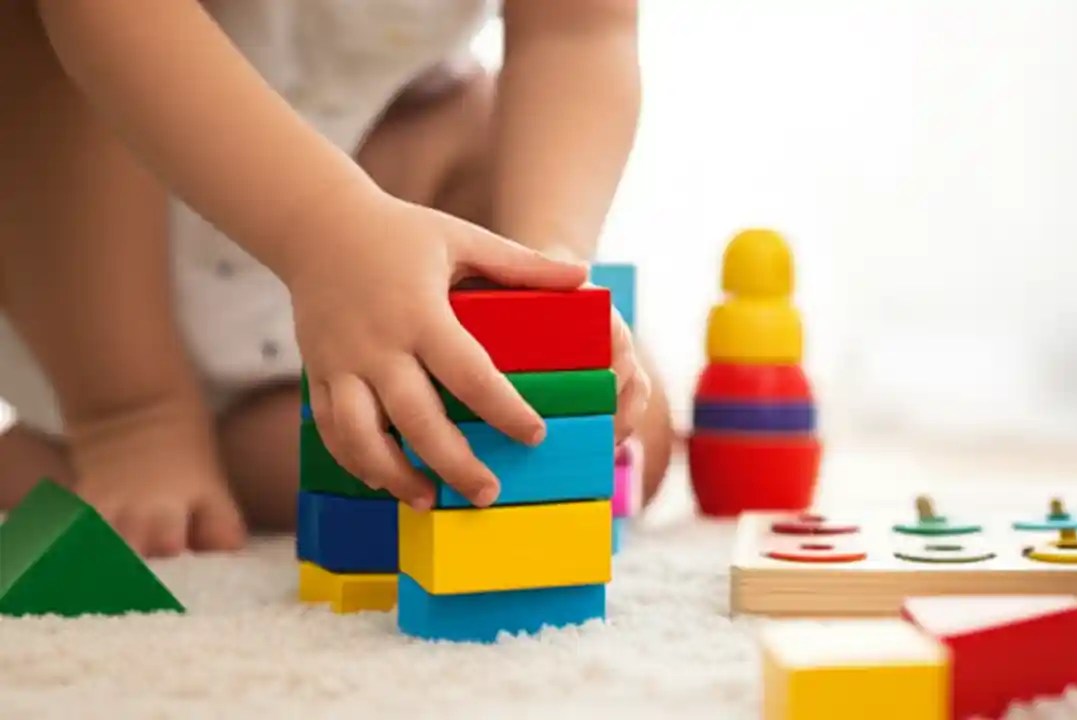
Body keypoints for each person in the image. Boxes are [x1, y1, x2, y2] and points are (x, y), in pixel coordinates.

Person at [0, 0, 674, 556]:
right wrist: (325, 231)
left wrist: (541, 274)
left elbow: (576, 33)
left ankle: (240, 438)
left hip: (373, 156)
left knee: (598, 446)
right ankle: (123, 422)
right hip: (98, 225)